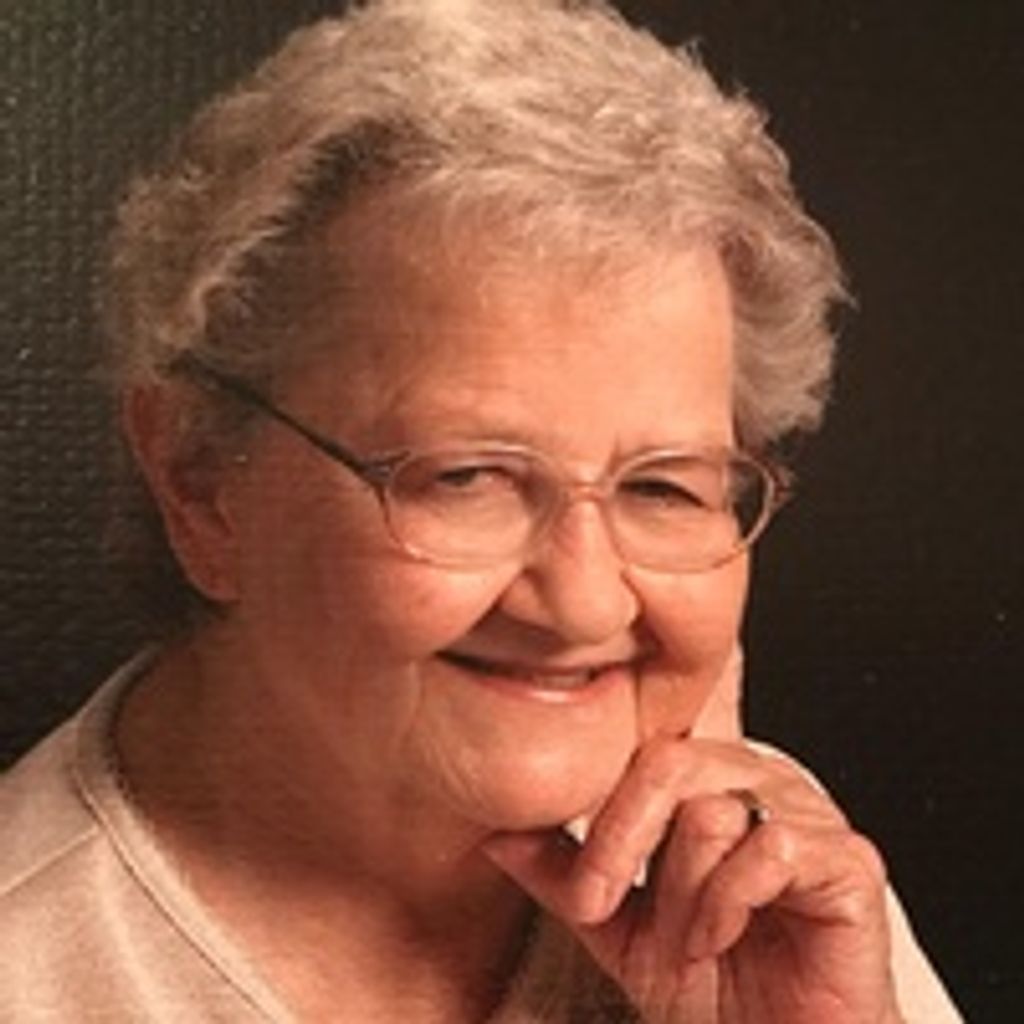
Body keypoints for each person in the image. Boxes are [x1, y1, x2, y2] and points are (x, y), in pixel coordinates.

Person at [0, 1, 961, 1020]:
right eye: (466, 477)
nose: (585, 605)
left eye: (663, 486)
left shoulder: (757, 876)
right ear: (199, 480)